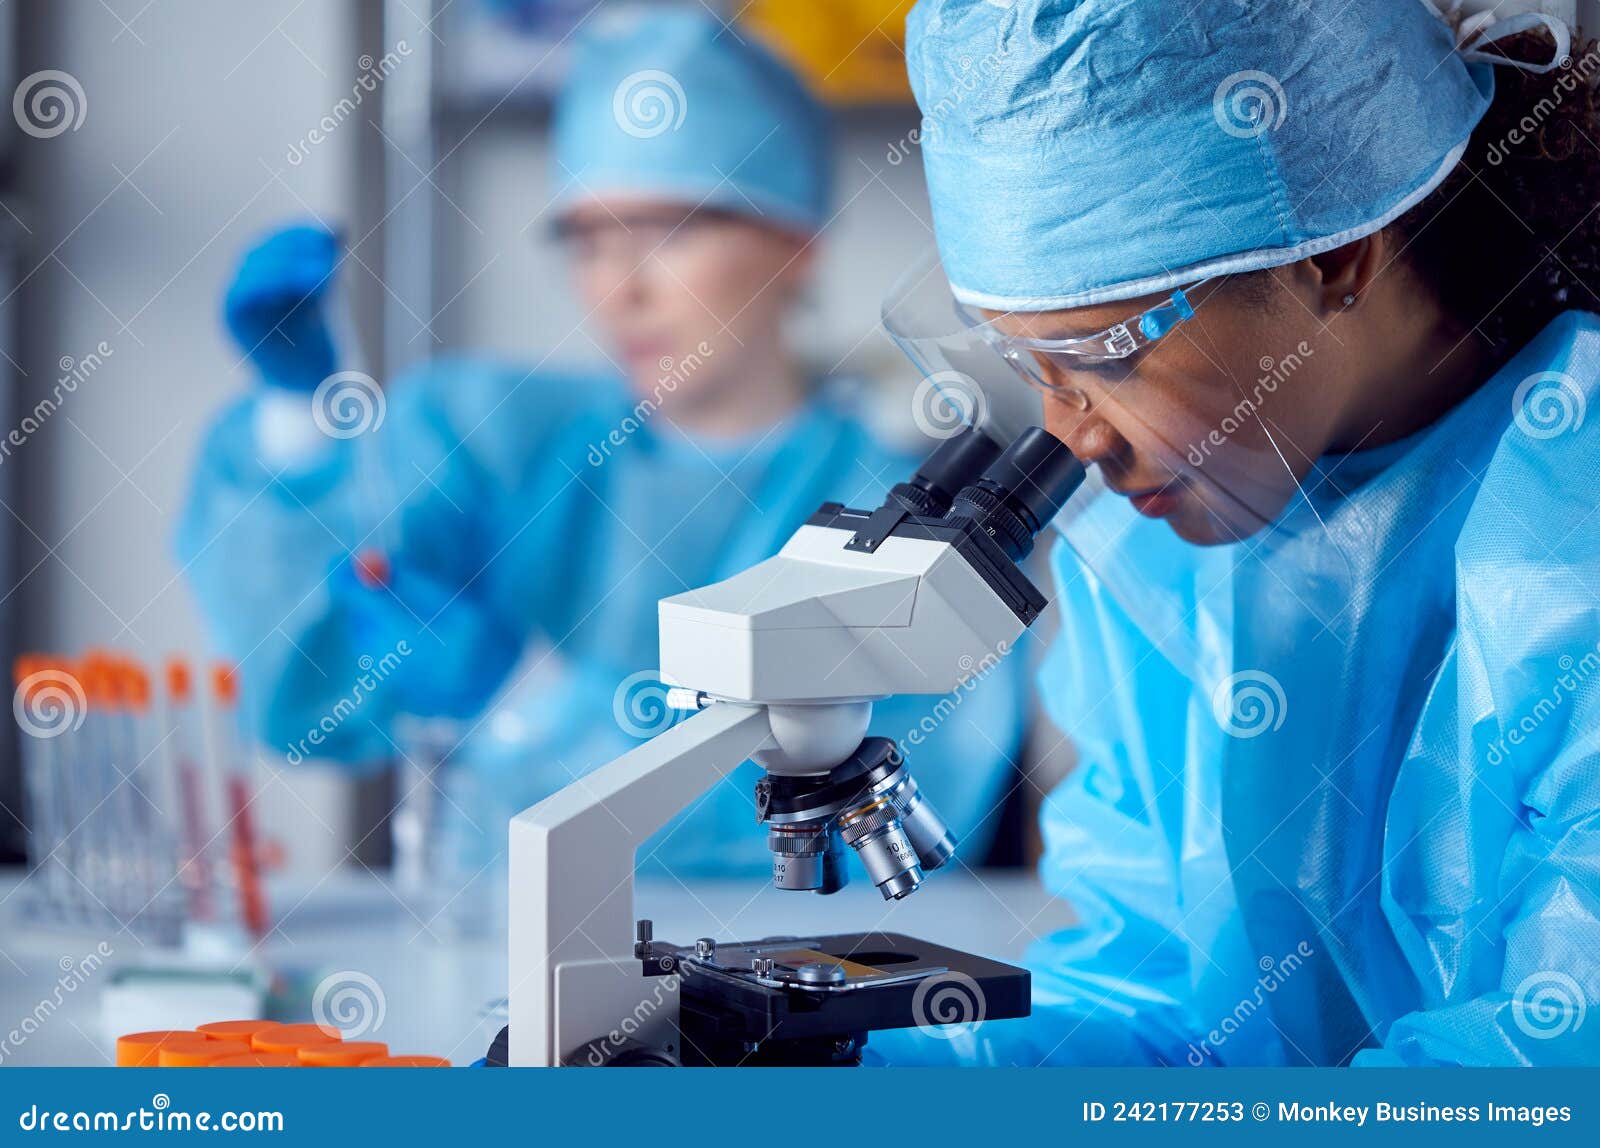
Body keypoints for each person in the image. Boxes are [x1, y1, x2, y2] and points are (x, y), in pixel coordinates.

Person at [869, 0, 1600, 1066]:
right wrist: (857, 1075)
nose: (1072, 439)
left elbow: (1550, 1071)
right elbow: (1160, 1006)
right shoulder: (1163, 549)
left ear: (1334, 256)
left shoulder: (1566, 540)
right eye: (1031, 368)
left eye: (1105, 357)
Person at [176, 7, 1028, 880]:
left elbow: (875, 841)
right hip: (481, 956)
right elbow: (302, 690)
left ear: (796, 246)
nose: (622, 287)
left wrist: (525, 699)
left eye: (673, 229)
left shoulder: (909, 520)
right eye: (589, 238)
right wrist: (299, 426)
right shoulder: (495, 443)